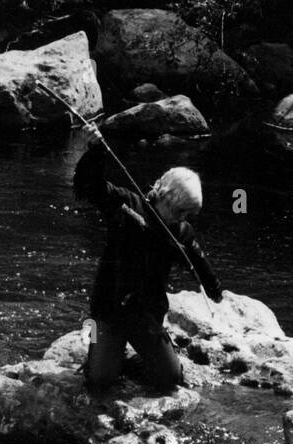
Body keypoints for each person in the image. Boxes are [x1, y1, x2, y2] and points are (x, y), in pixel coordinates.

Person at [73, 131, 223, 392]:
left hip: (147, 315)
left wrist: (215, 290)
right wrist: (96, 151)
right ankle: (103, 356)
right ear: (164, 195)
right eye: (179, 211)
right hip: (108, 311)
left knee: (171, 378)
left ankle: (129, 359)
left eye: (188, 214)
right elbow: (89, 186)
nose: (183, 218)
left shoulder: (181, 231)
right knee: (98, 381)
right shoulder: (127, 205)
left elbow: (197, 260)